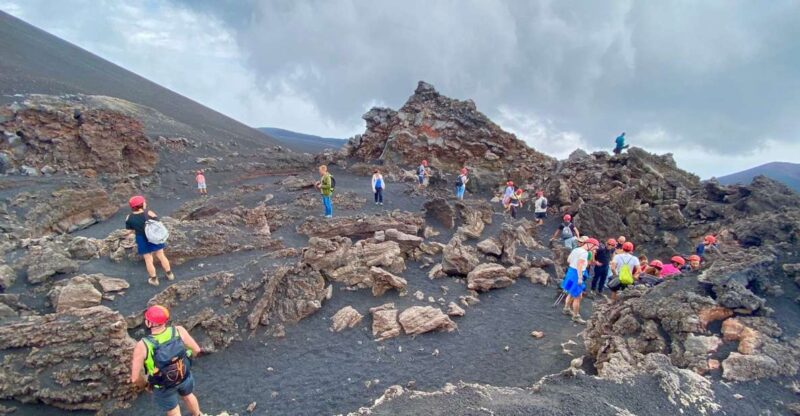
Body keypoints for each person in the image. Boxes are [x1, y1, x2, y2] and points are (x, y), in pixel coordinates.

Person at [130, 305, 202, 416]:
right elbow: (196, 350)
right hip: (184, 375)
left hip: (162, 385)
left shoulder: (143, 345)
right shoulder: (178, 330)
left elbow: (135, 378)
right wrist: (186, 360)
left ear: (149, 323)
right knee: (188, 395)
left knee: (173, 409)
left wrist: (145, 385)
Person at [125, 196, 174, 286]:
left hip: (141, 239)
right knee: (161, 255)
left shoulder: (129, 217)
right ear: (141, 204)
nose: (145, 203)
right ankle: (169, 274)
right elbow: (158, 223)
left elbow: (129, 230)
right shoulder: (149, 213)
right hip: (154, 237)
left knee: (148, 259)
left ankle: (154, 279)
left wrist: (125, 234)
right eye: (144, 202)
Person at [561, 237, 597, 324]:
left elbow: (568, 260)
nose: (595, 249)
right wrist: (580, 278)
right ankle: (576, 316)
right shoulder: (584, 253)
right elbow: (580, 265)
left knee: (571, 293)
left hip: (570, 272)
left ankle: (566, 308)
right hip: (576, 275)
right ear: (590, 245)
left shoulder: (576, 249)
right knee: (577, 297)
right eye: (595, 247)